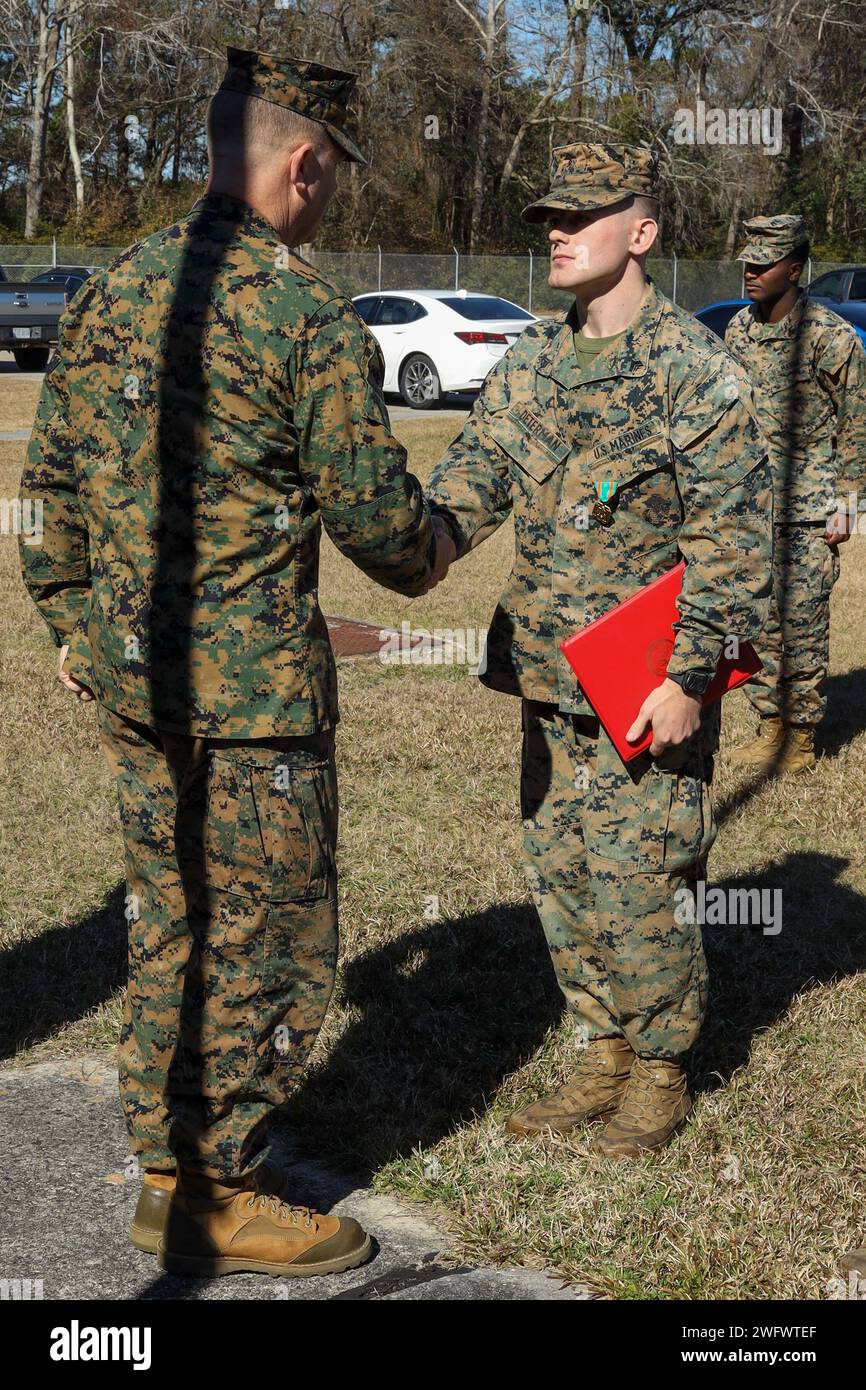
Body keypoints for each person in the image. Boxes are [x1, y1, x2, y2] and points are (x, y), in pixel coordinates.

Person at [18, 46, 451, 1280]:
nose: (332, 200)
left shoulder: (108, 292)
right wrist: (449, 531)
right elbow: (385, 538)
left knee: (170, 924)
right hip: (252, 707)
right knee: (269, 939)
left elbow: (45, 499)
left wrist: (70, 625)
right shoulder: (307, 317)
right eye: (335, 178)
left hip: (135, 689)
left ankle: (168, 1169)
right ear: (302, 162)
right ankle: (215, 1188)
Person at [426, 143, 772, 1157]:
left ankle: (659, 1066)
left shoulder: (691, 370)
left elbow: (730, 537)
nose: (557, 235)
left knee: (644, 877)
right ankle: (597, 1045)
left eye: (580, 217)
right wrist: (419, 543)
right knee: (563, 870)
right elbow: (476, 474)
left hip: (642, 682)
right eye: (549, 219)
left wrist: (686, 676)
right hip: (547, 676)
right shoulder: (530, 360)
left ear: (642, 231)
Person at [725, 215, 866, 774]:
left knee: (801, 622)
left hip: (809, 509)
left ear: (795, 268)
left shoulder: (830, 337)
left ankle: (802, 738)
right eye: (746, 262)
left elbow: (857, 423)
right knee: (753, 621)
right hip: (746, 507)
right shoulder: (738, 329)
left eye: (764, 264)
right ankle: (769, 726)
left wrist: (849, 501)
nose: (750, 272)